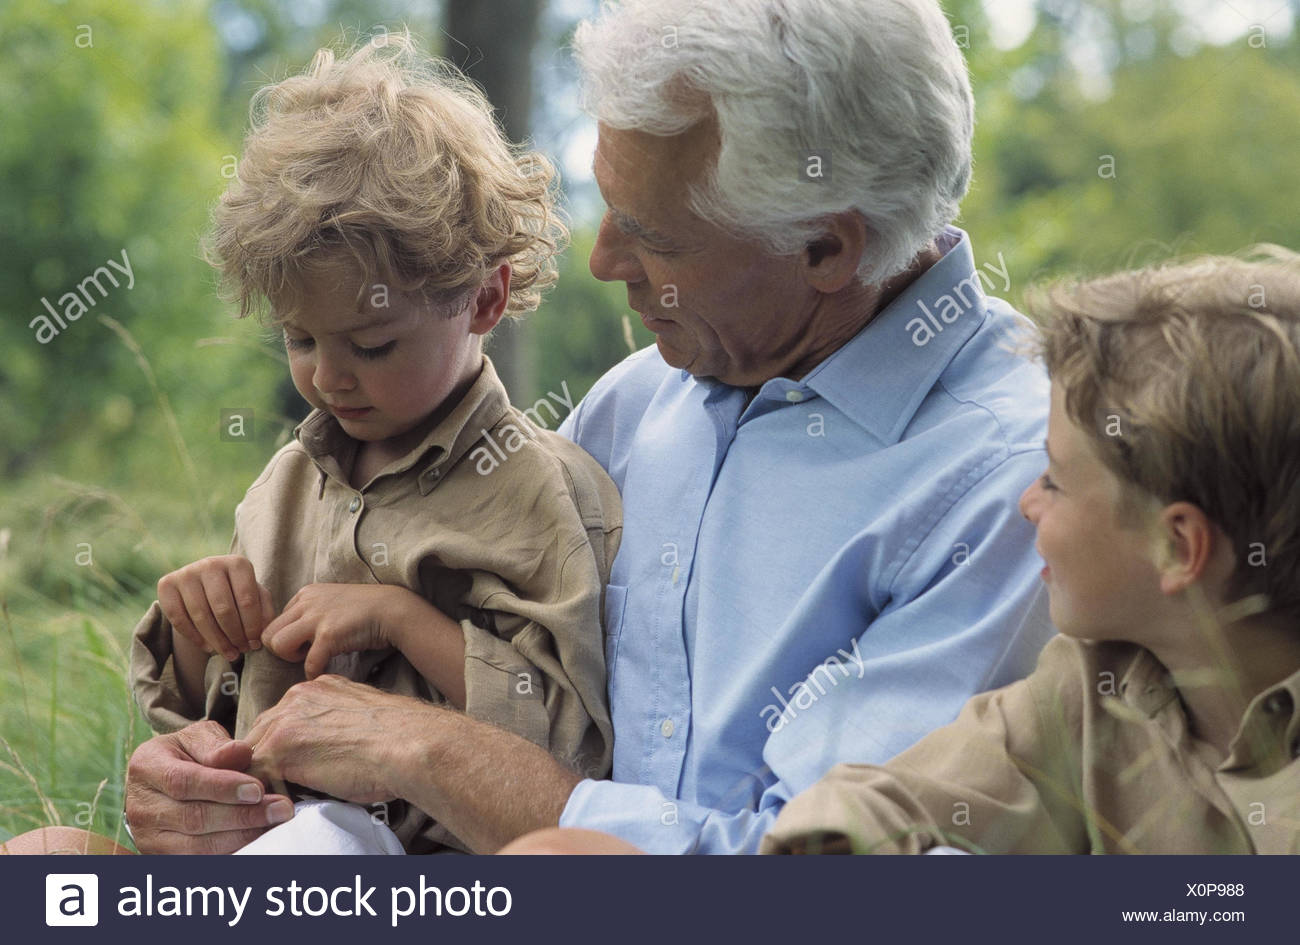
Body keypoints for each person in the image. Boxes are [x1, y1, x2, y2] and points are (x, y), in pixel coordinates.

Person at [9, 0, 1052, 857]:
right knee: (43, 871)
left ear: (827, 247)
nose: (602, 266)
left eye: (653, 236)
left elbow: (825, 873)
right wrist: (201, 780)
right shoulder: (640, 404)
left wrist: (432, 755)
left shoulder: (1010, 481)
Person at [131, 35, 617, 854]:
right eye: (300, 339)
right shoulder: (286, 483)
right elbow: (206, 715)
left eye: (373, 343)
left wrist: (400, 619)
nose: (329, 378)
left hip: (441, 863)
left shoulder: (537, 490)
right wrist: (196, 622)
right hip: (269, 838)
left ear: (486, 297)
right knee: (40, 865)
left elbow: (571, 737)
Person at [761, 249, 1300, 854]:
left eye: (1054, 480)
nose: (1027, 503)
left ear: (1176, 546)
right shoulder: (1095, 687)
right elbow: (883, 806)